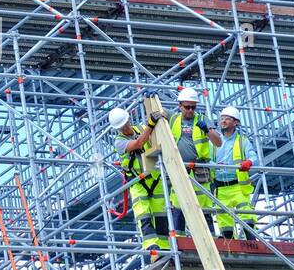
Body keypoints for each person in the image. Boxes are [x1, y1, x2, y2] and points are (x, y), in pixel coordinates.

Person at [110, 106, 172, 256]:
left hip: (154, 178)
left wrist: (161, 116)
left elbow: (158, 132)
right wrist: (150, 124)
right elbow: (138, 144)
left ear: (129, 120)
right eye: (121, 127)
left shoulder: (141, 129)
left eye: (126, 124)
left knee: (161, 214)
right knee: (143, 215)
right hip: (137, 182)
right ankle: (152, 248)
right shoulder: (119, 142)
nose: (125, 128)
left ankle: (164, 247)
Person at [167, 87, 220, 234]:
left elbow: (218, 142)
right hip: (180, 167)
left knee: (204, 207)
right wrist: (150, 98)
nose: (190, 110)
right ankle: (180, 240)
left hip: (199, 168)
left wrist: (207, 130)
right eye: (187, 107)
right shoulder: (173, 119)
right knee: (178, 205)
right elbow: (158, 112)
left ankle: (210, 238)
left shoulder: (202, 119)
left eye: (193, 107)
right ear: (180, 106)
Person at [211, 105, 258, 239]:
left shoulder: (242, 141)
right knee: (224, 221)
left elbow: (253, 157)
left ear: (235, 122)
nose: (223, 121)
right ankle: (229, 245)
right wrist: (215, 165)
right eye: (222, 118)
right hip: (220, 187)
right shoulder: (214, 141)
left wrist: (249, 162)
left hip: (238, 186)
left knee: (247, 216)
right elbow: (207, 159)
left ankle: (252, 244)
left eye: (227, 119)